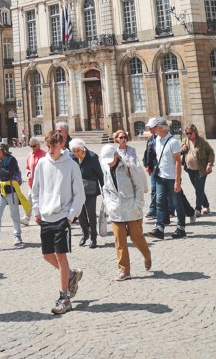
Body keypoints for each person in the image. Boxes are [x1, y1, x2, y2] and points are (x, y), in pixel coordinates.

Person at [30, 128, 84, 315]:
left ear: (62, 145)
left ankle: (64, 297)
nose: (50, 149)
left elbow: (79, 195)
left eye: (54, 146)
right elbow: (35, 189)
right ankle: (71, 275)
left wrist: (70, 217)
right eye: (48, 146)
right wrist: (36, 211)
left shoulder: (71, 165)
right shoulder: (42, 164)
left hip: (62, 216)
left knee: (61, 256)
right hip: (46, 215)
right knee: (47, 255)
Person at [99, 138, 151, 280]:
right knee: (119, 241)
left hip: (132, 208)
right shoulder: (106, 169)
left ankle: (147, 255)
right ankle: (124, 270)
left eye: (111, 159)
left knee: (137, 238)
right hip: (115, 211)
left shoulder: (129, 166)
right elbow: (106, 189)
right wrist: (108, 204)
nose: (109, 162)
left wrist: (138, 205)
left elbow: (138, 186)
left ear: (116, 155)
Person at [146, 118, 188, 240]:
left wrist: (177, 180)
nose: (151, 129)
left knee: (176, 202)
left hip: (172, 178)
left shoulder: (173, 142)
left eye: (154, 127)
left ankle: (181, 227)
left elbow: (178, 162)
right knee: (159, 201)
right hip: (160, 177)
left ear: (161, 128)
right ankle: (159, 228)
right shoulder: (157, 140)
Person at [0, 141, 25, 250]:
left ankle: (17, 236)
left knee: (14, 213)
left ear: (4, 151)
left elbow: (7, 174)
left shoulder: (11, 160)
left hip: (11, 190)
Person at [71, 138, 103, 248]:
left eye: (77, 151)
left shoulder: (92, 157)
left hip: (90, 190)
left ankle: (93, 238)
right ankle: (85, 235)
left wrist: (104, 189)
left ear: (82, 149)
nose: (75, 154)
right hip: (77, 191)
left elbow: (100, 174)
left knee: (91, 214)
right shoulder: (72, 158)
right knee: (80, 215)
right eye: (73, 151)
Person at [181, 123, 216, 216]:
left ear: (195, 132)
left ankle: (198, 208)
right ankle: (206, 205)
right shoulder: (185, 141)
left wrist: (210, 164)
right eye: (186, 133)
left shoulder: (202, 141)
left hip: (201, 169)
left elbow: (211, 152)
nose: (188, 135)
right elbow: (178, 152)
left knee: (199, 189)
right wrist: (182, 149)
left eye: (190, 133)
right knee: (198, 188)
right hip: (190, 169)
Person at [22, 135, 46, 226]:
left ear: (38, 145)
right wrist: (28, 173)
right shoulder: (29, 155)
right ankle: (26, 218)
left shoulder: (43, 154)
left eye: (34, 146)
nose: (33, 148)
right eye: (31, 146)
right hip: (31, 182)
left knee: (41, 200)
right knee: (29, 199)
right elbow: (27, 167)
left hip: (41, 183)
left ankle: (41, 217)